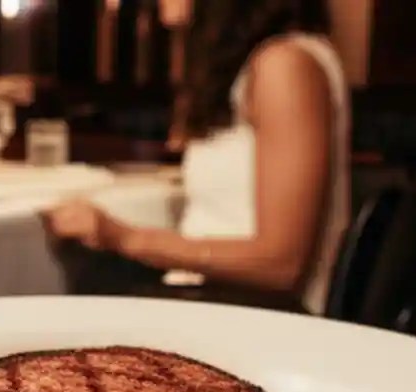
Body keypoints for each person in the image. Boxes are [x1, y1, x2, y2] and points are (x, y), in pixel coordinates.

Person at [44, 0, 349, 315]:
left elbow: (281, 264)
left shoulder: (285, 64)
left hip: (252, 317)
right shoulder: (254, 64)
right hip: (213, 302)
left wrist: (122, 237)